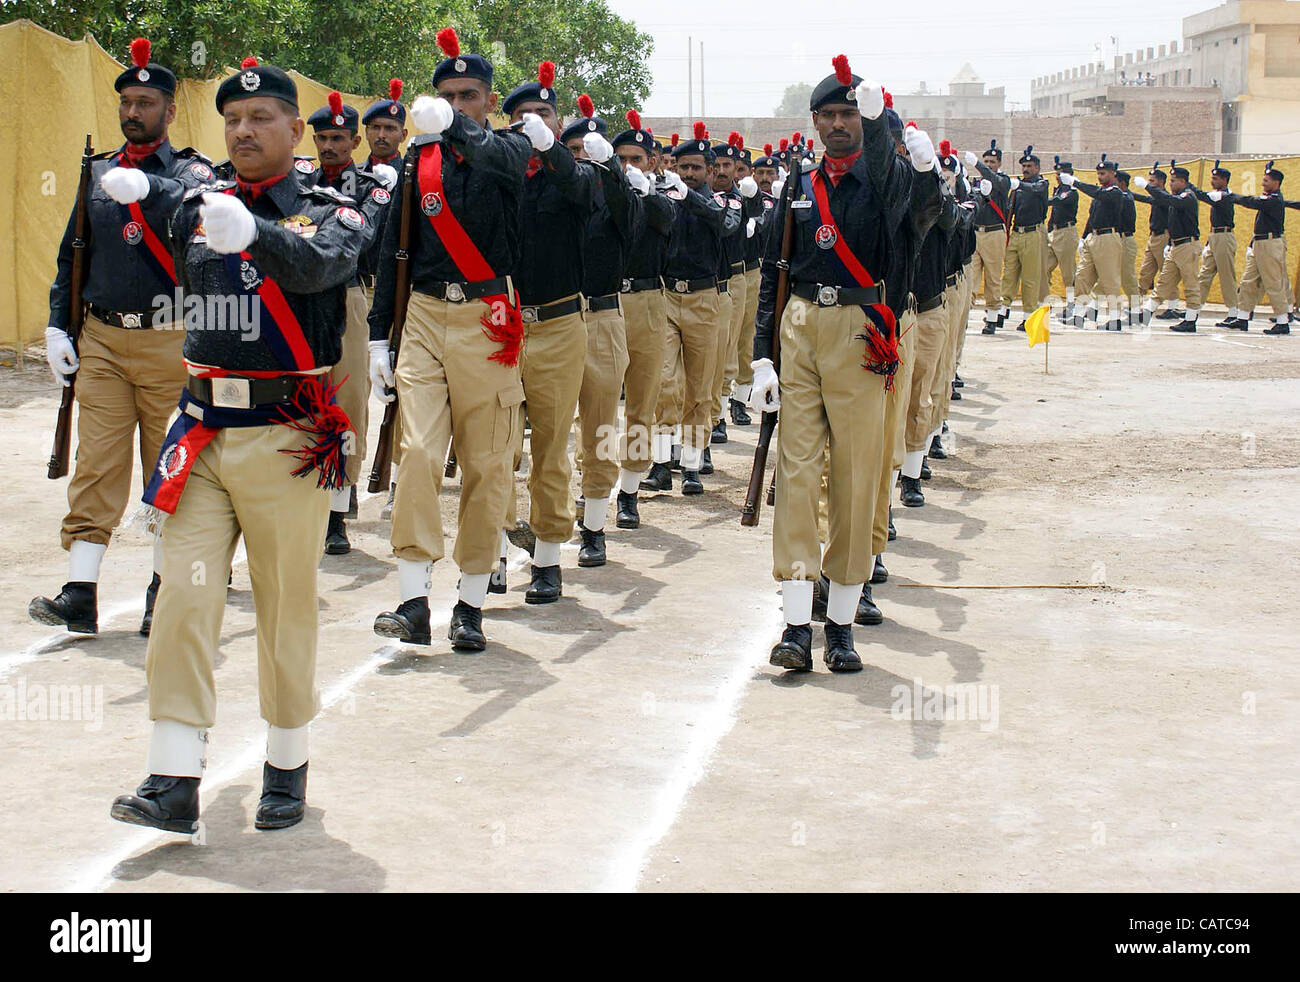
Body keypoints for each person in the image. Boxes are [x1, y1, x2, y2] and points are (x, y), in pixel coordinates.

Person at [109, 55, 366, 834]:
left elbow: (324, 267)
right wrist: (139, 192)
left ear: (297, 127)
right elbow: (160, 201)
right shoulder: (201, 200)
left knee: (287, 606)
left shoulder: (333, 210)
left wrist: (257, 232)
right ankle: (174, 774)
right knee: (184, 596)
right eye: (231, 121)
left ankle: (285, 762)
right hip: (201, 429)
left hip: (287, 436)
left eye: (261, 118)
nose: (244, 130)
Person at [750, 54, 936, 673]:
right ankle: (797, 622)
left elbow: (910, 205)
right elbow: (775, 272)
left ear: (863, 118)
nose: (836, 123)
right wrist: (762, 357)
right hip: (801, 326)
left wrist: (884, 130)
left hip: (862, 331)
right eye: (826, 114)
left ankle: (842, 622)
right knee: (797, 473)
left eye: (847, 113)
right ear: (813, 121)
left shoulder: (885, 182)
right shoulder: (797, 187)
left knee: (856, 478)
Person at [31, 38, 215, 639]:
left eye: (146, 103)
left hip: (171, 337)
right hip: (104, 339)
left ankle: (162, 593)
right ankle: (80, 591)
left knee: (170, 470)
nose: (133, 112)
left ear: (168, 110)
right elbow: (72, 257)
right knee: (97, 465)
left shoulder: (193, 176)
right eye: (126, 103)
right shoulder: (95, 172)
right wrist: (60, 323)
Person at [368, 27, 530, 650]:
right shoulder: (416, 161)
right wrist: (382, 333)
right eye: (447, 95)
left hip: (488, 319)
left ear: (488, 100)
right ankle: (412, 596)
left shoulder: (509, 150)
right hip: (427, 318)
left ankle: (469, 601)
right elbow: (393, 248)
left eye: (469, 95)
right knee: (417, 452)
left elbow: (505, 161)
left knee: (488, 463)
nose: (458, 104)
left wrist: (457, 129)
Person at [305, 91, 395, 551]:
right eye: (321, 137)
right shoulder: (296, 183)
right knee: (303, 398)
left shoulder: (372, 188)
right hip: (300, 299)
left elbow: (359, 238)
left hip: (347, 296)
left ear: (355, 140)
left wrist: (308, 235)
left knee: (348, 399)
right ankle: (306, 497)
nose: (328, 146)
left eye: (338, 138)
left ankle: (339, 507)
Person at [640, 122, 739, 496]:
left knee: (700, 388)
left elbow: (726, 225)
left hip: (704, 299)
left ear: (711, 171)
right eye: (683, 167)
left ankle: (693, 464)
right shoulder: (668, 197)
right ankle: (662, 463)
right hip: (666, 296)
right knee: (664, 383)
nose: (689, 174)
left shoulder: (723, 201)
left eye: (696, 168)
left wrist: (691, 197)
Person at [563, 94, 638, 565]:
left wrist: (611, 171)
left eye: (591, 151)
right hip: (551, 319)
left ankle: (594, 523)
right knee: (543, 436)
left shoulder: (617, 198)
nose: (582, 160)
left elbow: (636, 220)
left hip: (603, 318)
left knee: (600, 429)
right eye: (573, 152)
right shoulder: (550, 195)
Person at [610, 111, 675, 529]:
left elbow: (667, 223)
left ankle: (630, 489)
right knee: (594, 403)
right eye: (622, 159)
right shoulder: (602, 190)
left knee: (641, 400)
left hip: (649, 300)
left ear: (652, 161)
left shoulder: (663, 195)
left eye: (637, 158)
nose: (629, 166)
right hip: (605, 300)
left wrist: (645, 192)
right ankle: (593, 483)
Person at [361, 78, 408, 519]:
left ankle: (397, 478)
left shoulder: (413, 175)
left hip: (396, 295)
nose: (381, 135)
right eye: (374, 128)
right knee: (353, 392)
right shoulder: (353, 179)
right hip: (358, 289)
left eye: (389, 129)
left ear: (402, 135)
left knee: (399, 391)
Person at [1058, 154, 1127, 331]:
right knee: (1082, 277)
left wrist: (1076, 183)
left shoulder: (1115, 192)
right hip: (1093, 238)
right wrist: (1084, 237)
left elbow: (1099, 194)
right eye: (1099, 173)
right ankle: (1079, 315)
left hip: (1108, 238)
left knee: (1110, 280)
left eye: (1103, 173)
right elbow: (1092, 218)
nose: (1100, 176)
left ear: (1113, 173)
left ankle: (1114, 319)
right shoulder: (1100, 193)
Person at [1222, 161, 1292, 334]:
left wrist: (1230, 196)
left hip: (1269, 244)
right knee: (1248, 282)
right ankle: (1242, 318)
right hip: (1259, 243)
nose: (1263, 183)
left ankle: (1283, 322)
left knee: (1273, 283)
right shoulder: (1270, 198)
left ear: (1276, 183)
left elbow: (1250, 201)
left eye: (1266, 181)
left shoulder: (1274, 200)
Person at [1133, 161, 1201, 332]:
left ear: (1183, 182)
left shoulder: (1188, 196)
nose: (1171, 184)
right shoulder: (1176, 198)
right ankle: (1147, 313)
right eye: (1170, 181)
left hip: (1187, 245)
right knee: (1164, 281)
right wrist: (1170, 244)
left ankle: (1191, 320)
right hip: (1176, 245)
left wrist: (1147, 187)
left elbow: (1170, 200)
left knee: (1191, 284)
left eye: (1173, 181)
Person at [997, 145, 1048, 333]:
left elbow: (1034, 189)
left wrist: (1019, 185)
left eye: (1030, 166)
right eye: (1024, 166)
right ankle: (1003, 310)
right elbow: (1010, 212)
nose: (1026, 169)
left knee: (1030, 278)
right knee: (1009, 274)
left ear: (1037, 168)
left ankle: (1029, 316)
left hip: (1032, 233)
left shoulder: (1041, 184)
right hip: (1016, 234)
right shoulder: (1017, 188)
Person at [967, 138, 1012, 331]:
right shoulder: (977, 181)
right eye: (986, 162)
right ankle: (965, 316)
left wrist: (977, 164)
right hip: (977, 232)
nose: (989, 165)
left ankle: (992, 318)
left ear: (999, 163)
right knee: (971, 277)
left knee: (993, 277)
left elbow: (998, 184)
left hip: (994, 233)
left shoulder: (1003, 180)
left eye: (992, 162)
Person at [1195, 161, 1243, 329]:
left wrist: (1190, 187)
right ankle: (1194, 310)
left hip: (1224, 236)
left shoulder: (1225, 196)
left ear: (1224, 180)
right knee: (1204, 275)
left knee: (1227, 276)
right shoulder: (1218, 194)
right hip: (1215, 236)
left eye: (1215, 179)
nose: (1212, 181)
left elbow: (1204, 197)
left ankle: (1233, 313)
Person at [1045, 156, 1079, 321]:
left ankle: (1072, 305)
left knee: (1068, 273)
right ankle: (1045, 303)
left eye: (1062, 173)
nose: (1058, 176)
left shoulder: (1071, 191)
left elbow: (1058, 202)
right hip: (1055, 233)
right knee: (1044, 268)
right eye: (1057, 173)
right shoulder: (1057, 189)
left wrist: (1042, 201)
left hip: (1066, 232)